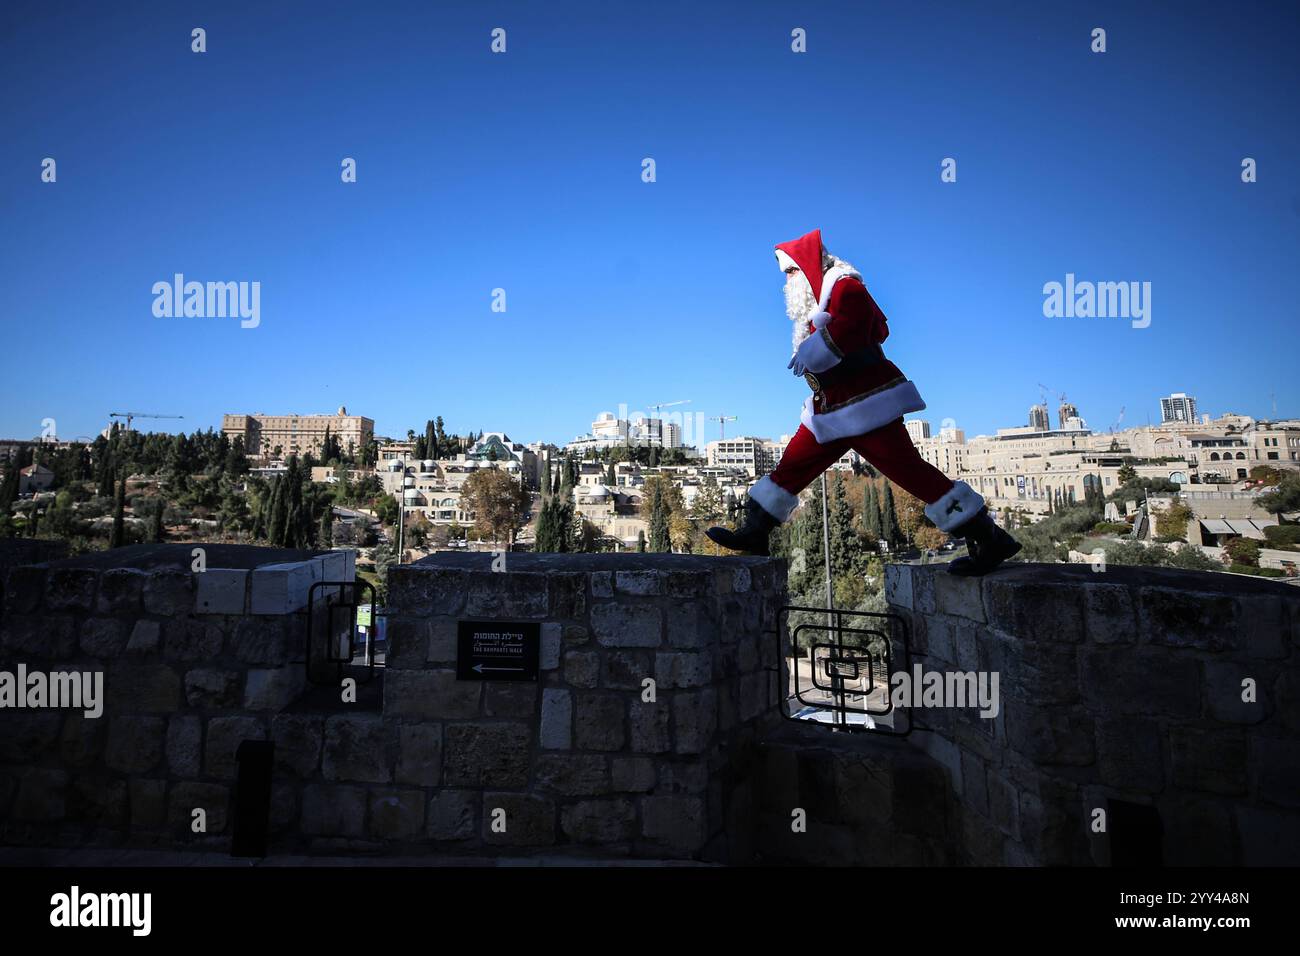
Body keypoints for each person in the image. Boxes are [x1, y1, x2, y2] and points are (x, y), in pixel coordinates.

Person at [706, 228, 1021, 575]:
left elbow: (861, 324)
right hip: (831, 408)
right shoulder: (821, 299)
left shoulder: (845, 285)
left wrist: (816, 347)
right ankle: (755, 532)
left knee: (910, 471)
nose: (787, 281)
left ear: (807, 265)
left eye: (791, 271)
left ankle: (989, 538)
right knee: (791, 466)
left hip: (867, 406)